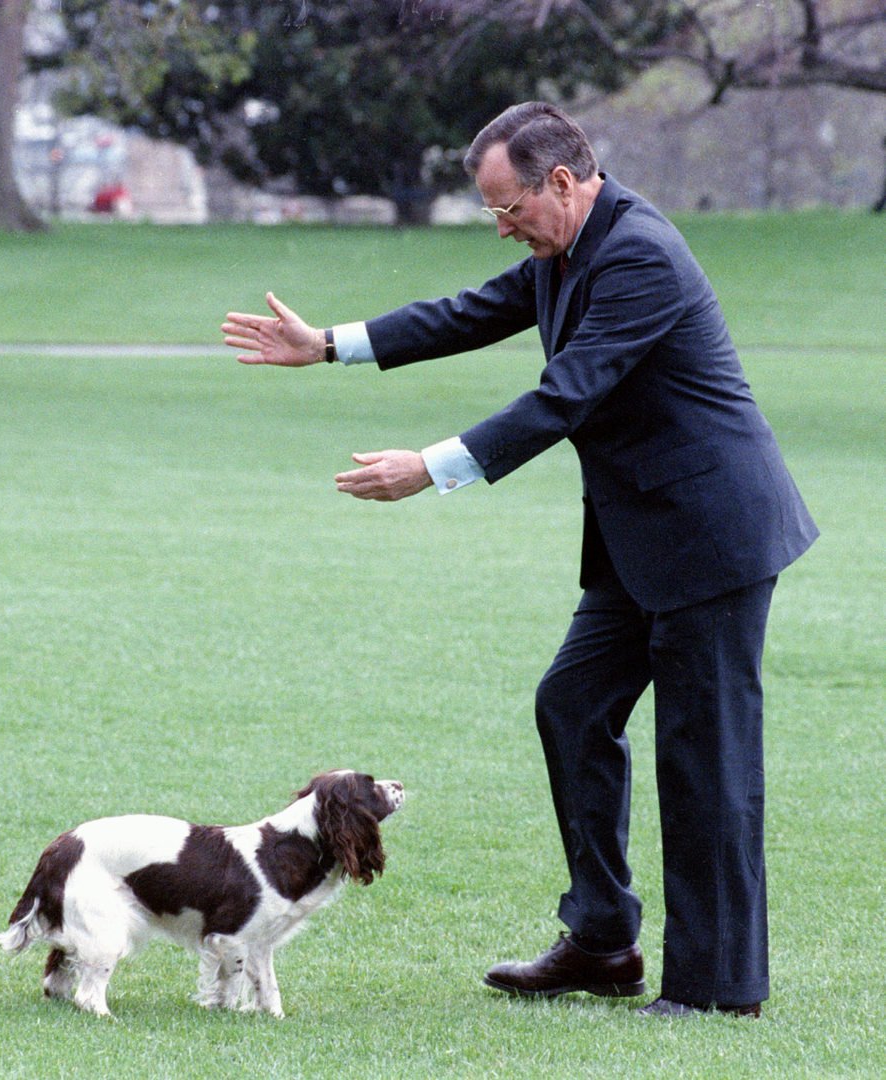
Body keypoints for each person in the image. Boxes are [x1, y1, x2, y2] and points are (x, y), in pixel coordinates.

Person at [222, 102, 818, 1018]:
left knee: (706, 759)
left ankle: (717, 987)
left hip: (712, 535)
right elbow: (468, 313)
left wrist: (432, 467)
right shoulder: (562, 251)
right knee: (571, 705)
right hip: (639, 538)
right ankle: (603, 940)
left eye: (509, 208)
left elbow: (563, 396)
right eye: (494, 212)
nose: (503, 227)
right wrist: (329, 345)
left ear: (564, 184)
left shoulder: (640, 257)